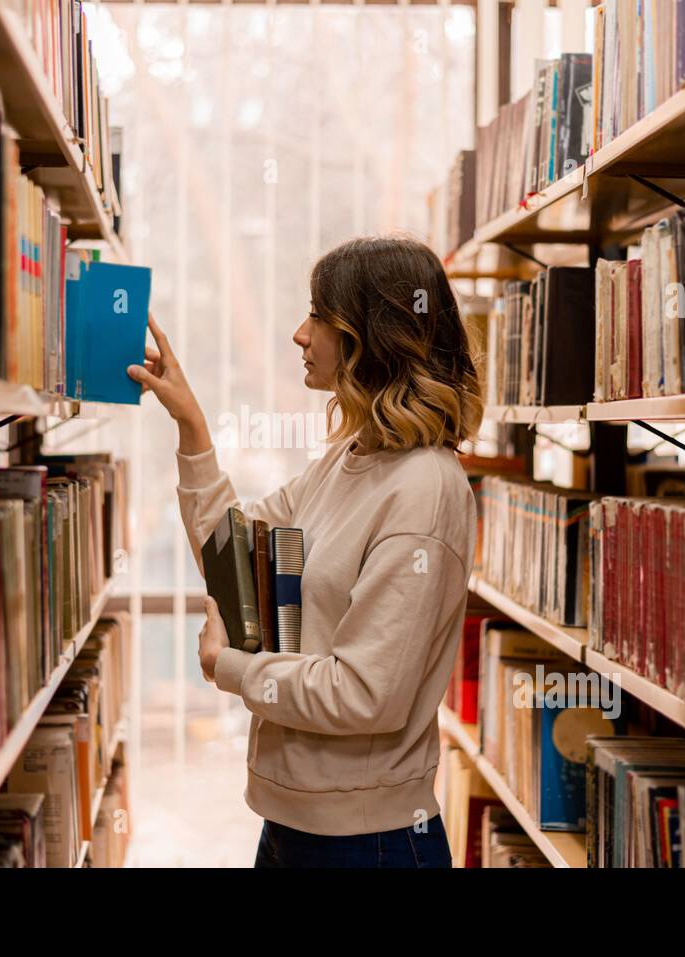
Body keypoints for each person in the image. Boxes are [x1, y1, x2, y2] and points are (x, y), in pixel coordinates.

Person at [127, 235, 482, 868]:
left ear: (368, 336)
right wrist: (191, 426)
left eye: (318, 314)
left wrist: (228, 666)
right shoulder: (350, 460)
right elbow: (231, 548)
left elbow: (365, 693)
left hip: (366, 843)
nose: (299, 333)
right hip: (293, 824)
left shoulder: (425, 490)